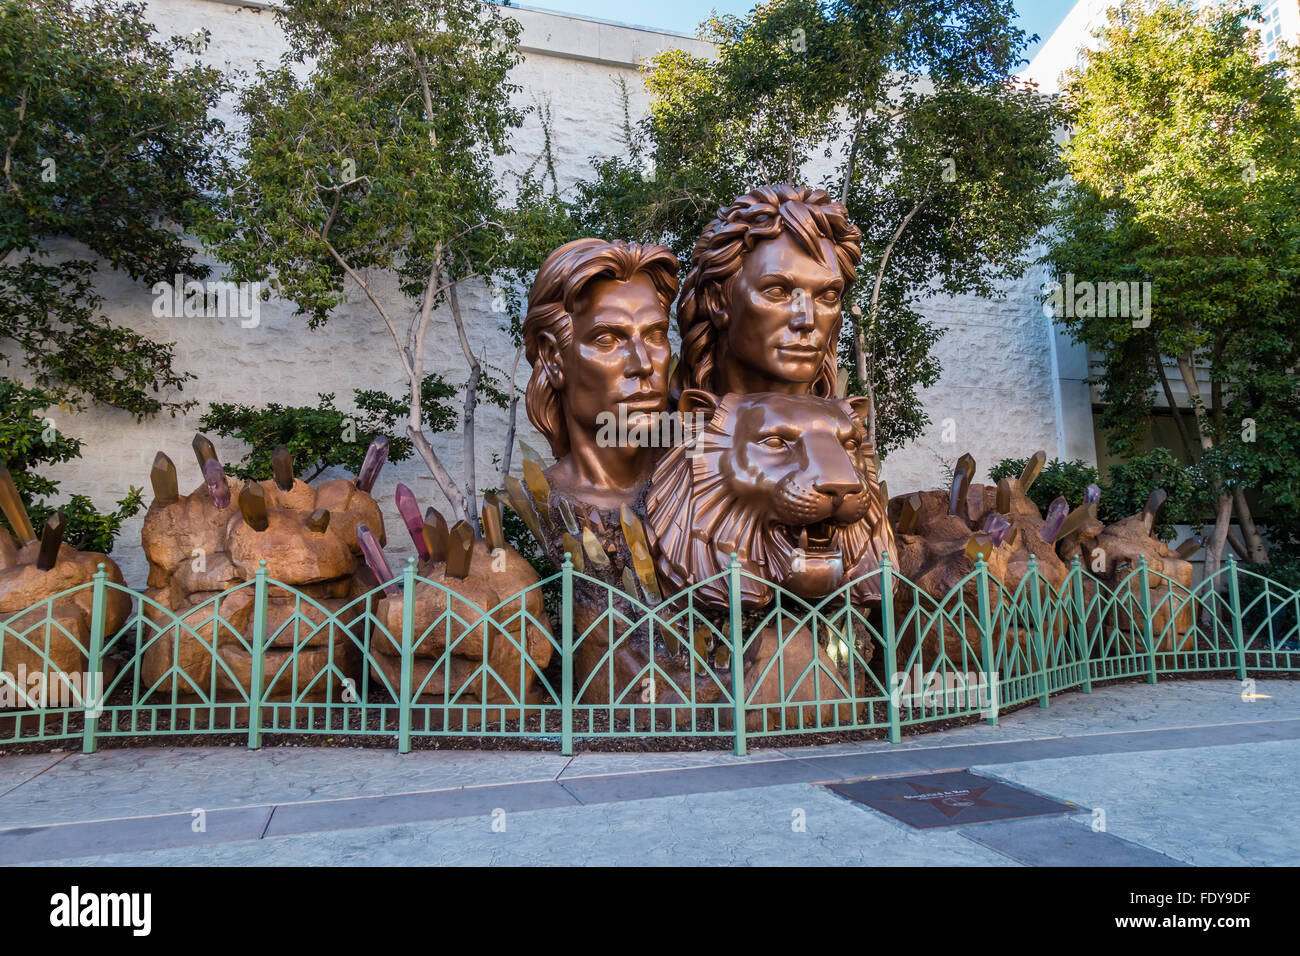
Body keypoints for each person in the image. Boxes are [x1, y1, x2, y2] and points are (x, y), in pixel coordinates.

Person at [522, 238, 679, 511]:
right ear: (553, 358)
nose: (643, 365)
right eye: (607, 340)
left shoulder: (699, 482)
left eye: (655, 335)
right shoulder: (542, 500)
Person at [675, 184, 863, 399]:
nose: (806, 320)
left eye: (827, 296)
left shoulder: (843, 430)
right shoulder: (652, 427)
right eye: (777, 291)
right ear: (716, 300)